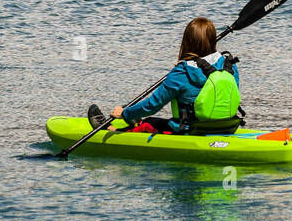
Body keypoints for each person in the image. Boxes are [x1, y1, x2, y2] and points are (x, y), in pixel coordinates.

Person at [88, 17, 243, 135]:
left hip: (191, 130)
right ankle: (133, 119)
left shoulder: (182, 73)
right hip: (227, 127)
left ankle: (112, 130)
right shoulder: (229, 65)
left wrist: (124, 113)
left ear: (187, 42)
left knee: (149, 123)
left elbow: (152, 105)